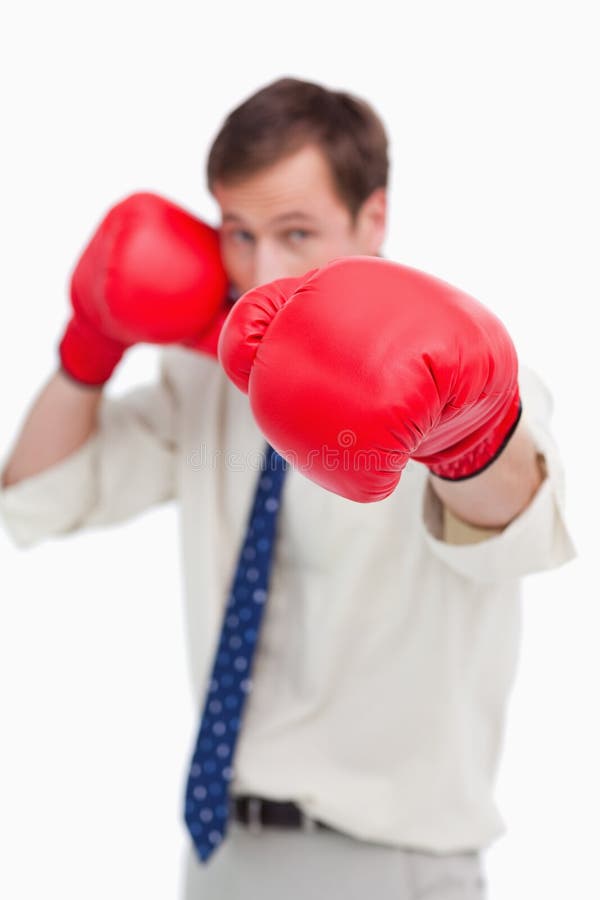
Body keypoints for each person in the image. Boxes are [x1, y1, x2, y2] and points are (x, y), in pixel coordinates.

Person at [0, 77, 576, 899]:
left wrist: (465, 435)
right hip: (219, 853)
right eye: (239, 234)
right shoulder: (206, 384)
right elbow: (37, 494)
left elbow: (516, 532)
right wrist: (90, 345)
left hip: (387, 862)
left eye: (296, 232)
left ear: (373, 219)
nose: (260, 269)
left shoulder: (459, 370)